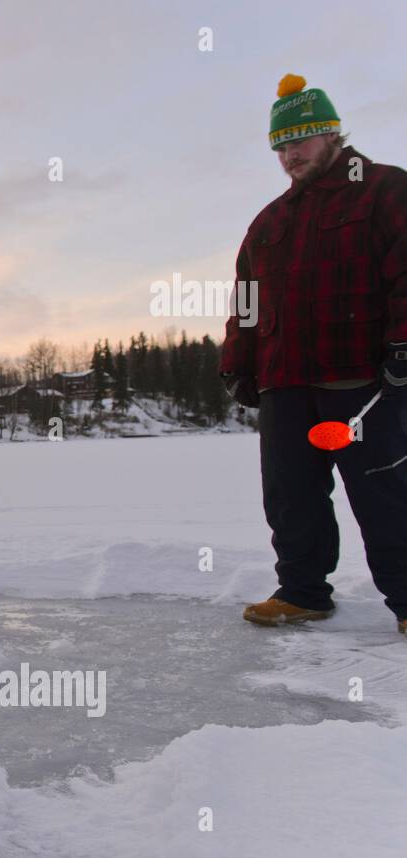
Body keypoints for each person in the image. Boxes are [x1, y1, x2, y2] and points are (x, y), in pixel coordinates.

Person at [220, 73, 407, 636]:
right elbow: (246, 303)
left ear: (331, 134)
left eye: (299, 140)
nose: (289, 154)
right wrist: (238, 360)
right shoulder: (270, 221)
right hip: (287, 384)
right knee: (290, 495)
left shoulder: (384, 190)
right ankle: (303, 593)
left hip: (360, 382)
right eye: (281, 145)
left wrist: (403, 344)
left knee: (383, 492)